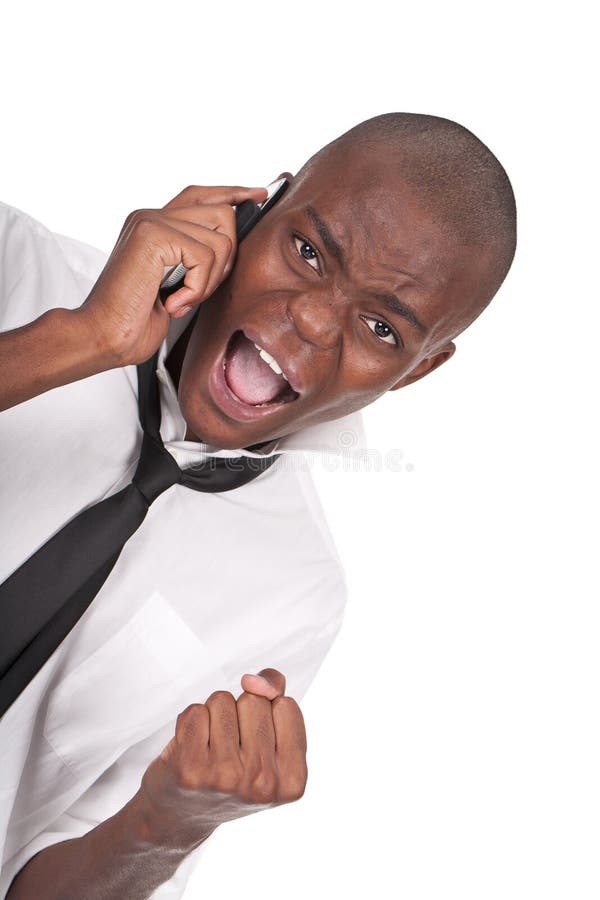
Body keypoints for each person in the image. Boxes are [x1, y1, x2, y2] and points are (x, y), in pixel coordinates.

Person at [0, 112, 516, 898]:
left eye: (381, 326)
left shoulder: (294, 594)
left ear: (414, 372)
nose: (312, 319)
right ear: (255, 208)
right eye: (308, 251)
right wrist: (78, 340)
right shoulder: (17, 266)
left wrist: (162, 826)